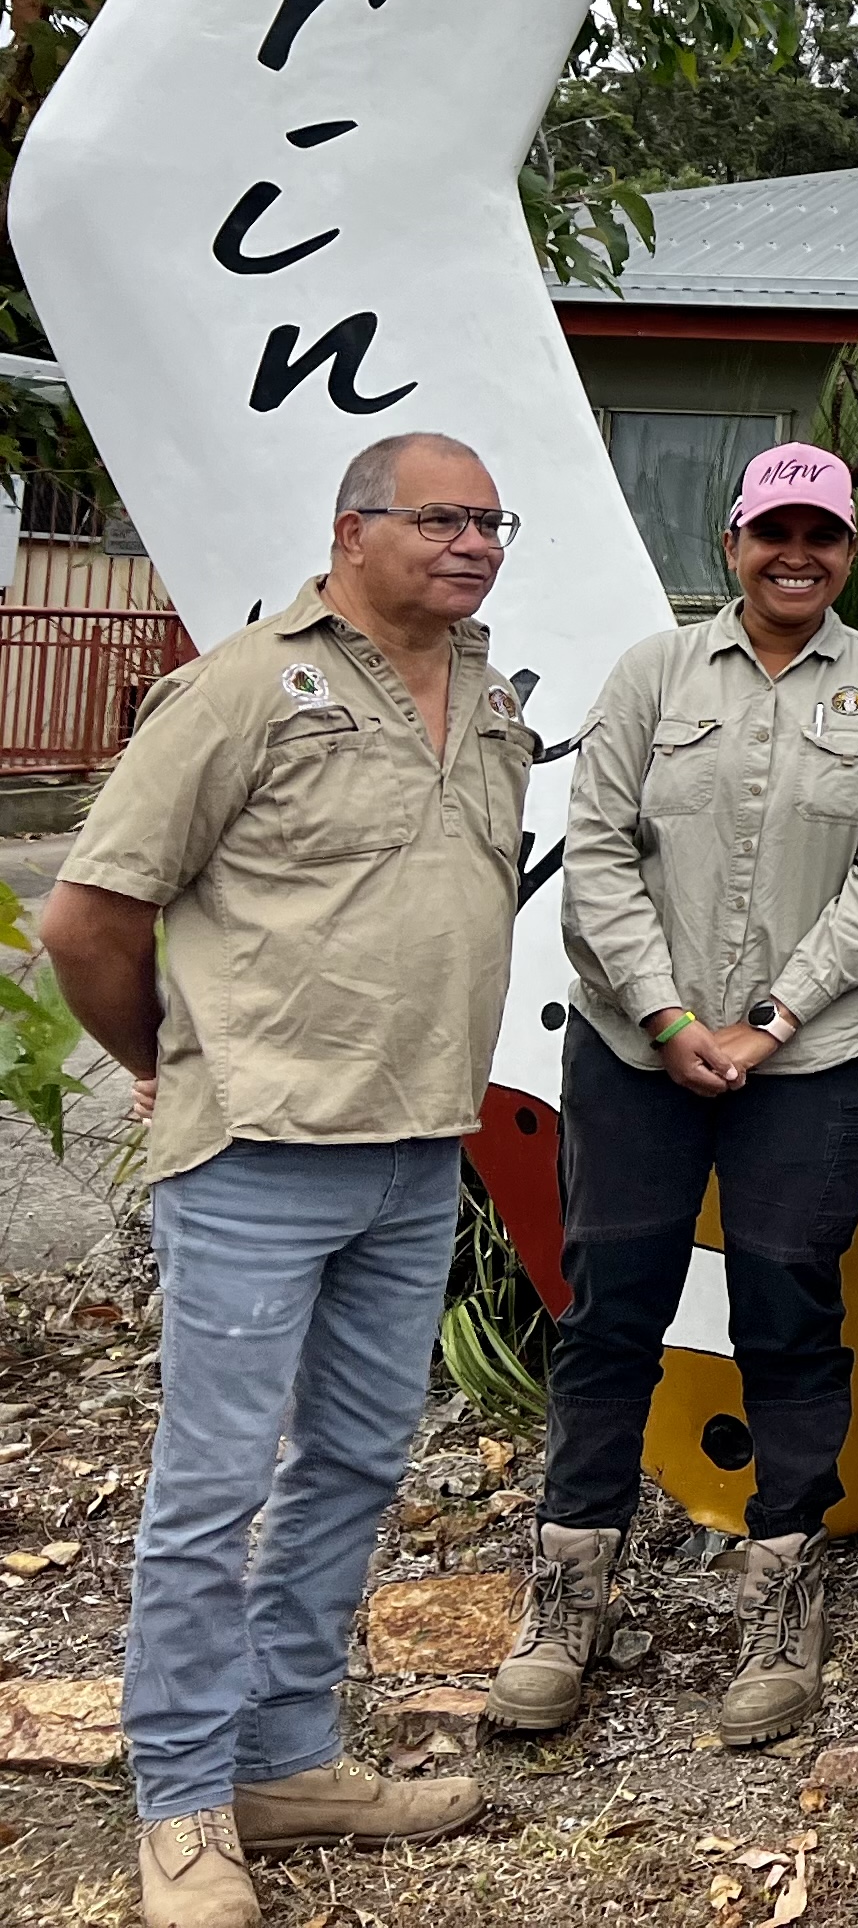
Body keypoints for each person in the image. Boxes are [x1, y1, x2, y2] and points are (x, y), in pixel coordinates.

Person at [40, 435, 528, 1928]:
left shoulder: (491, 700)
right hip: (258, 1151)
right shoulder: (245, 688)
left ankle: (289, 1758)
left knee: (354, 1468)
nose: (474, 542)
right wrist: (180, 1062)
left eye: (493, 521)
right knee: (210, 1486)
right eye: (440, 518)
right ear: (350, 530)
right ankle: (182, 1804)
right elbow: (87, 920)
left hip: (415, 1148)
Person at [503, 445, 858, 1748]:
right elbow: (594, 856)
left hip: (805, 1063)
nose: (795, 555)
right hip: (636, 1053)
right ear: (734, 541)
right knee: (614, 1311)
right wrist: (667, 1016)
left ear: (848, 552)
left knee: (787, 1312)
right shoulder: (651, 677)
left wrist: (763, 1026)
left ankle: (779, 1605)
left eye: (822, 534)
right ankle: (565, 1603)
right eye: (774, 531)